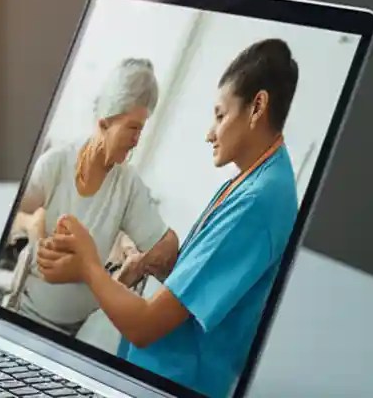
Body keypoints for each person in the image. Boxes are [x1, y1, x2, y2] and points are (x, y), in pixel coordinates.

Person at [39, 39, 300, 397]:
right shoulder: (255, 179)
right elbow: (203, 281)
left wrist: (89, 265)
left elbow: (146, 324)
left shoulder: (257, 201)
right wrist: (149, 267)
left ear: (257, 107)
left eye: (220, 115)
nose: (210, 133)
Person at [13, 58, 180, 334]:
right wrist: (32, 227)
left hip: (77, 333)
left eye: (142, 128)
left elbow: (166, 249)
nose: (138, 140)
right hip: (25, 317)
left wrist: (127, 269)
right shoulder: (55, 164)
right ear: (104, 123)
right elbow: (11, 214)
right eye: (133, 128)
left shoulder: (128, 185)